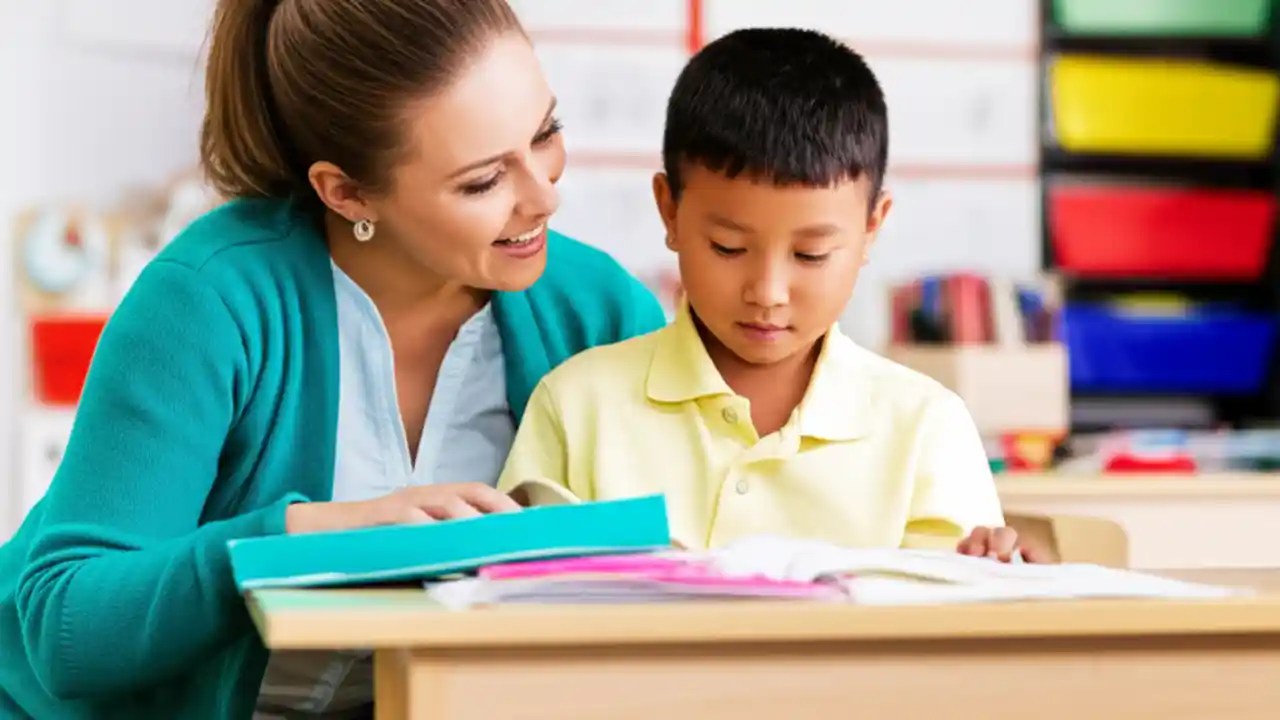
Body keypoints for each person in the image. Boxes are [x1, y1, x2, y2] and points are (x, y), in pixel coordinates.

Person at [0, 1, 665, 718]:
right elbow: (66, 627)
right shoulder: (210, 299)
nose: (545, 196)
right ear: (345, 192)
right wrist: (309, 537)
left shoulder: (600, 314)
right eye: (483, 181)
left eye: (545, 134)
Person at [498, 28, 1038, 561]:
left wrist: (992, 579)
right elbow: (507, 588)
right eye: (729, 248)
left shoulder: (926, 428)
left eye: (810, 255)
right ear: (669, 211)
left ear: (872, 227)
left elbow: (951, 608)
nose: (768, 292)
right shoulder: (577, 407)